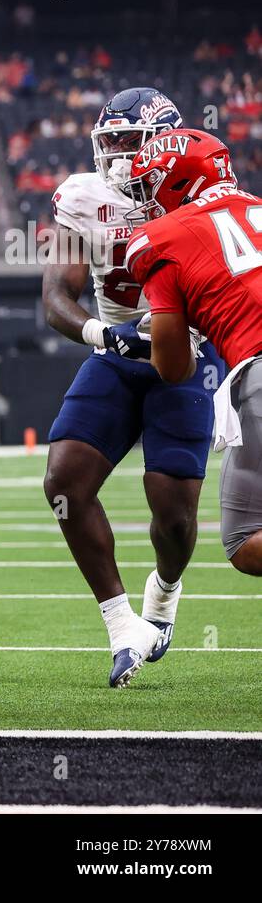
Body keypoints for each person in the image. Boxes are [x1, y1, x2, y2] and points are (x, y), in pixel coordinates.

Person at [40, 89, 222, 688]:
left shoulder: (193, 191)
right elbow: (55, 297)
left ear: (163, 145)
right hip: (118, 347)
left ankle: (164, 595)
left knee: (173, 520)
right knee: (65, 480)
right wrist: (103, 333)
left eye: (129, 140)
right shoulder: (84, 196)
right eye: (108, 140)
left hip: (188, 352)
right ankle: (122, 626)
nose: (116, 153)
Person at [124, 131, 262, 583]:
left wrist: (163, 330)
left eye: (150, 186)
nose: (147, 202)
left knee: (245, 540)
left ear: (179, 180)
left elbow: (174, 368)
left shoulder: (162, 238)